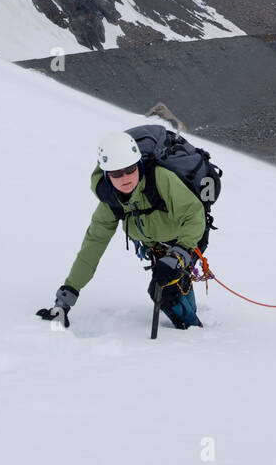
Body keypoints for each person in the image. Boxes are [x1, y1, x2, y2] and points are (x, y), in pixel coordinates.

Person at [40, 130, 207, 331]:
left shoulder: (161, 179)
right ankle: (189, 309)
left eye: (130, 169)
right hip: (158, 245)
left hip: (188, 237)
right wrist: (66, 297)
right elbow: (93, 246)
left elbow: (194, 215)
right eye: (117, 173)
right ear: (106, 174)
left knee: (162, 292)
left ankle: (193, 333)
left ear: (139, 165)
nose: (125, 177)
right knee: (170, 280)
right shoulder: (111, 201)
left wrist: (179, 254)